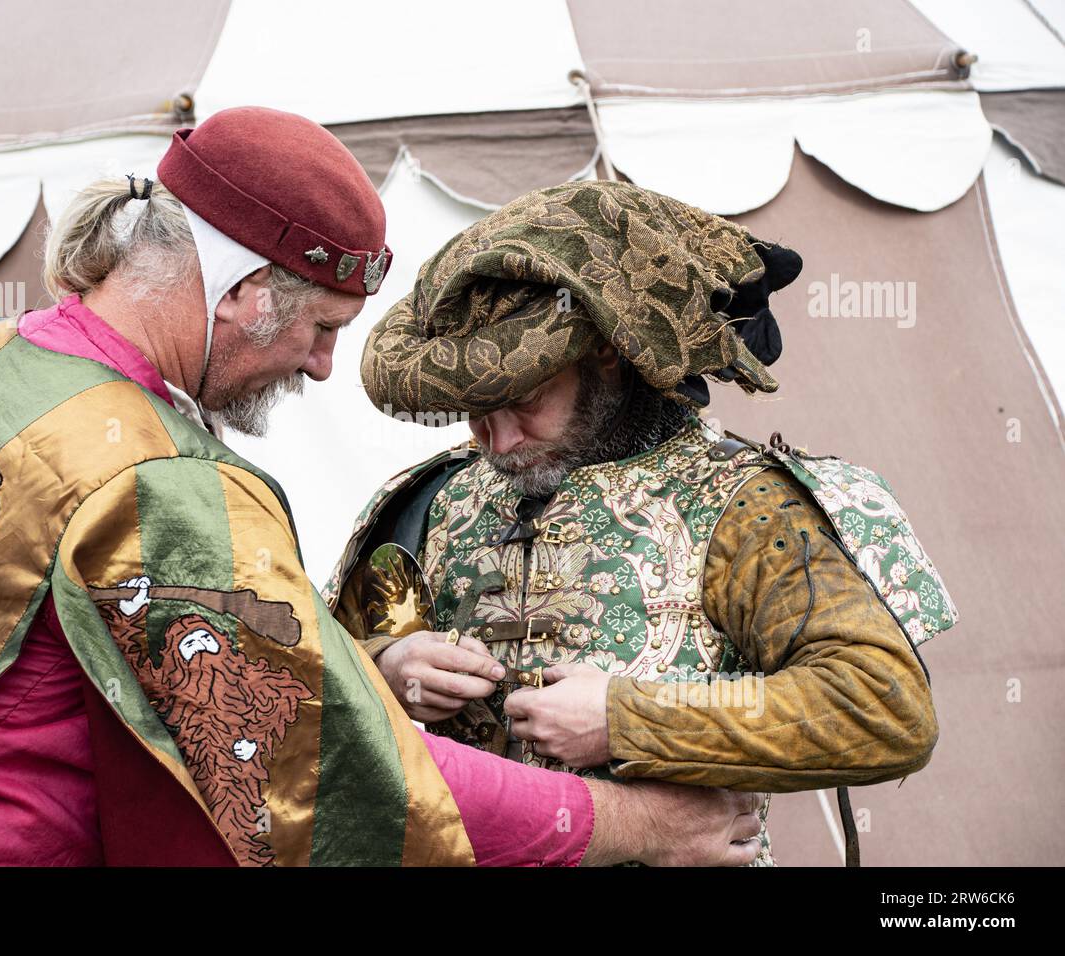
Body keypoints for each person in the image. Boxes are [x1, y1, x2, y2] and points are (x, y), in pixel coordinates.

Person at [0, 109, 765, 868]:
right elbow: (333, 770)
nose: (327, 366)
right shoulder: (156, 475)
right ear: (242, 293)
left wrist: (371, 664)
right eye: (322, 328)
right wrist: (643, 821)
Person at [328, 180, 957, 865]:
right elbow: (301, 704)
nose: (499, 441)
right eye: (475, 412)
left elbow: (884, 709)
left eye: (528, 401)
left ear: (606, 353)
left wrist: (626, 721)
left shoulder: (745, 504)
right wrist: (387, 669)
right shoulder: (435, 501)